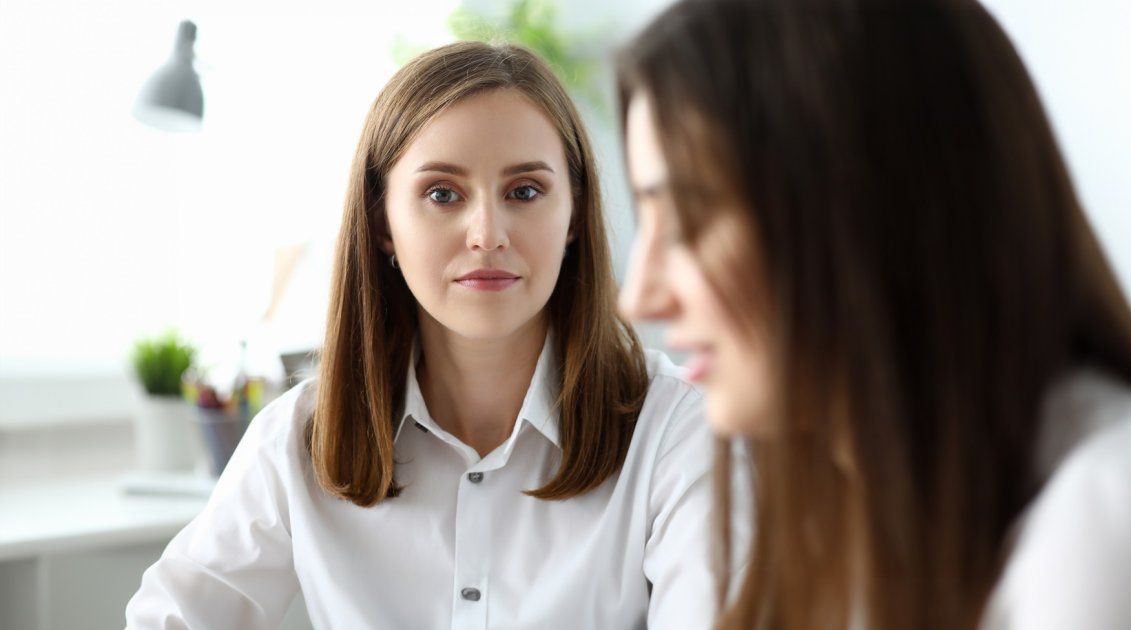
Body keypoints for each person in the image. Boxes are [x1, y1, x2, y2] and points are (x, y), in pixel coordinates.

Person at [616, 0, 1131, 629]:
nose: (639, 296)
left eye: (685, 221)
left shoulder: (1105, 531)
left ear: (860, 210)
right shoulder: (852, 512)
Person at [127, 41, 722, 629]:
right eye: (442, 194)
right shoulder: (296, 440)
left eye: (524, 192)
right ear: (383, 221)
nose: (487, 234)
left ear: (574, 213)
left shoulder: (675, 431)